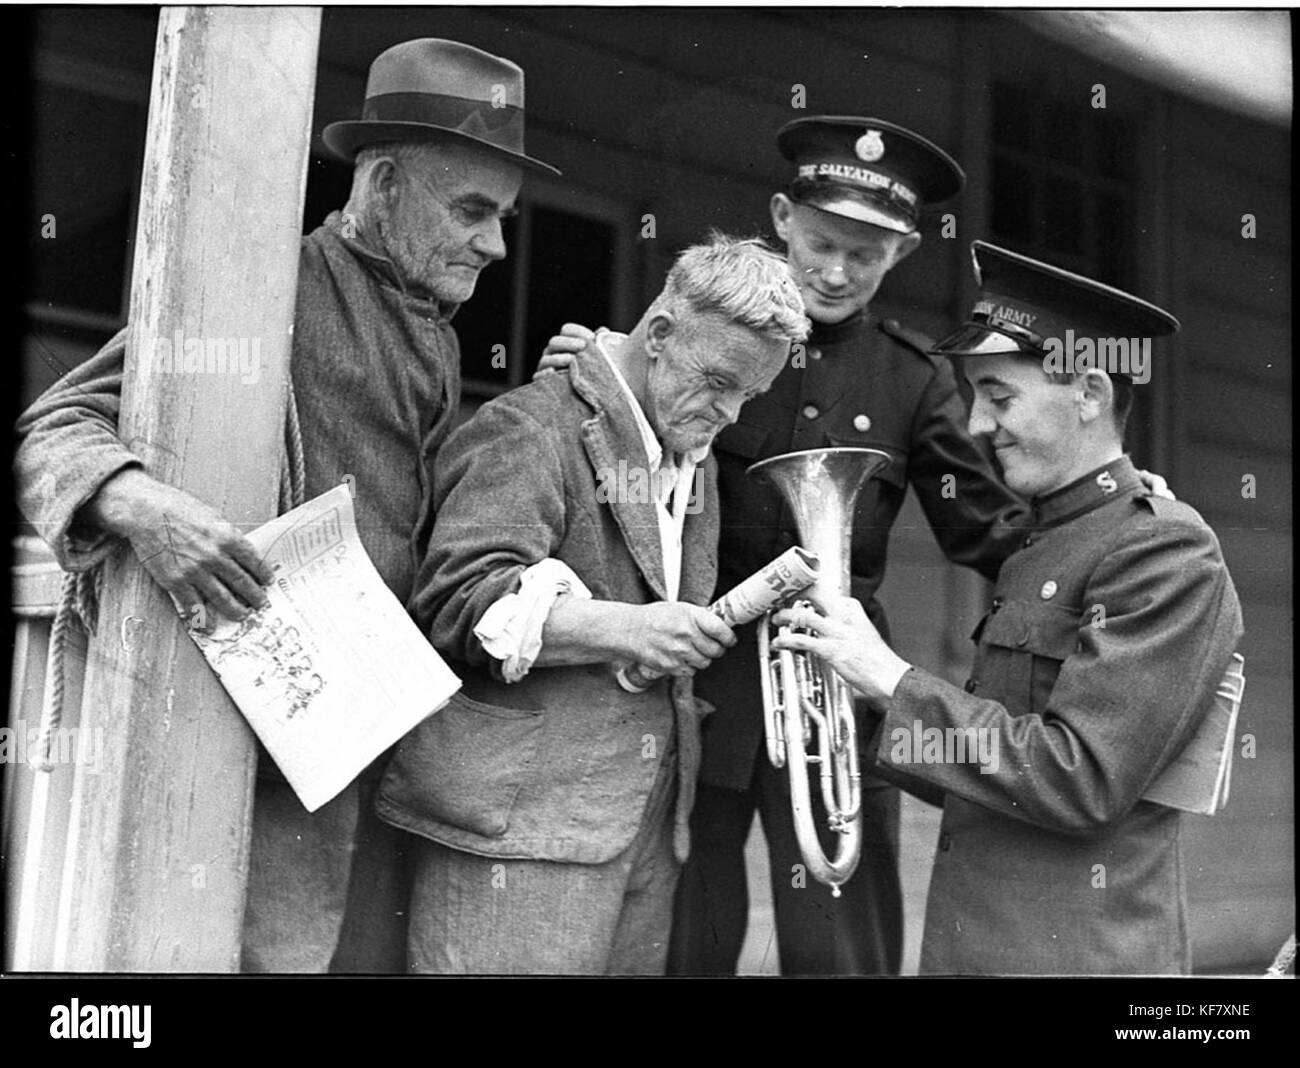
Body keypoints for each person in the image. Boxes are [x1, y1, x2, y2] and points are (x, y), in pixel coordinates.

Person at [14, 38, 557, 973]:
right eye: (472, 211)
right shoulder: (277, 286)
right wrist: (140, 503)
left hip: (360, 741)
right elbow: (52, 426)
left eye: (502, 217)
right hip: (250, 741)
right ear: (382, 186)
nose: (496, 245)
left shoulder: (421, 322)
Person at [541, 116, 1030, 975]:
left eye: (866, 255)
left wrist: (1102, 519)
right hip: (704, 678)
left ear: (904, 252)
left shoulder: (916, 380)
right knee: (689, 931)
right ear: (780, 217)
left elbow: (991, 530)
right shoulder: (702, 339)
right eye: (822, 243)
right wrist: (587, 375)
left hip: (838, 686)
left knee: (840, 941)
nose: (837, 273)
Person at [771, 241, 1243, 974]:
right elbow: (986, 762)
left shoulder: (1164, 552)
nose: (979, 426)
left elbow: (1079, 778)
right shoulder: (1041, 543)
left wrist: (892, 678)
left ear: (1087, 392)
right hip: (973, 948)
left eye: (999, 397)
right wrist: (844, 705)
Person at [375, 234, 810, 974]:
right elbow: (456, 599)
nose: (731, 413)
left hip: (640, 830)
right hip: (518, 831)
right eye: (719, 381)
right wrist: (630, 631)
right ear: (662, 334)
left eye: (750, 394)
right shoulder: (530, 428)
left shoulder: (684, 444)